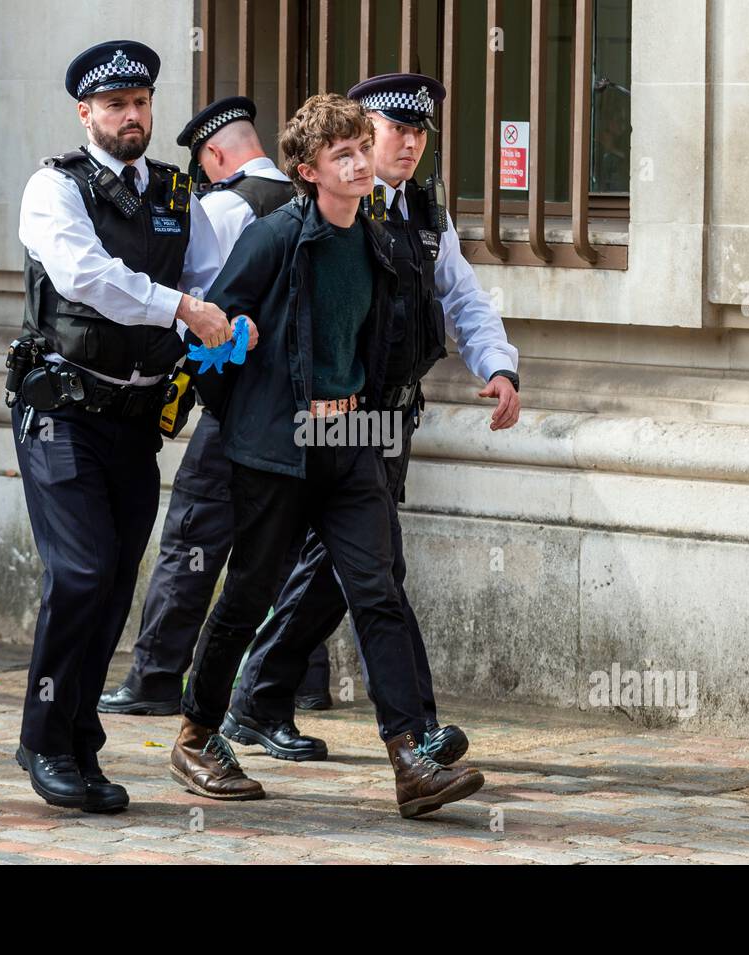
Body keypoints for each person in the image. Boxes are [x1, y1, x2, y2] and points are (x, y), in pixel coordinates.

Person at [169, 94, 484, 819]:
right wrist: (250, 398)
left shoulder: (378, 239)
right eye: (340, 153)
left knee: (375, 588)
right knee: (248, 590)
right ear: (309, 171)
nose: (358, 161)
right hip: (277, 444)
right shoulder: (274, 236)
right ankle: (196, 732)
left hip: (351, 440)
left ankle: (410, 759)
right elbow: (212, 332)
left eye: (359, 147)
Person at [224, 73, 521, 763]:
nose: (410, 143)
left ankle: (256, 698)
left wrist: (498, 366)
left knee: (346, 565)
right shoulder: (329, 213)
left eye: (420, 133)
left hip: (390, 418)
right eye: (396, 130)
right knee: (376, 569)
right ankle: (416, 731)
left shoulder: (425, 215)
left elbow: (464, 301)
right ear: (361, 136)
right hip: (334, 418)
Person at [11, 40, 246, 813]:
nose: (132, 116)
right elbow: (85, 276)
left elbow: (212, 279)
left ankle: (80, 741)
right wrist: (181, 308)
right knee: (79, 573)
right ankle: (43, 739)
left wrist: (231, 324)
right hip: (62, 413)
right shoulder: (55, 188)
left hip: (136, 422)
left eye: (141, 103)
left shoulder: (180, 195)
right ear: (87, 114)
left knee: (111, 583)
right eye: (116, 105)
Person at [98, 96, 330, 719]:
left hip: (240, 407)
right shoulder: (325, 201)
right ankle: (298, 681)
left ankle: (155, 677)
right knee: (291, 541)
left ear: (214, 155)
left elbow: (195, 306)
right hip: (315, 409)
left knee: (193, 537)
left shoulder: (220, 207)